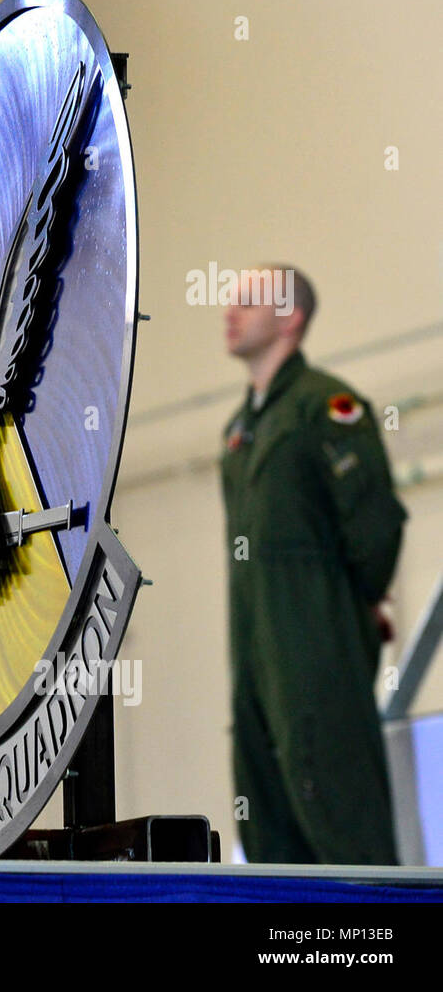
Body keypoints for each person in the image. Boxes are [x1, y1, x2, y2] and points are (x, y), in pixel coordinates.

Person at [219, 265, 405, 865]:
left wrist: (349, 612)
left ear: (291, 318)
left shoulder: (327, 406)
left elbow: (376, 525)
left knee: (344, 821)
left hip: (318, 659)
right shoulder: (239, 432)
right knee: (270, 835)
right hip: (256, 665)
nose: (230, 308)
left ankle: (372, 950)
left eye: (248, 299)